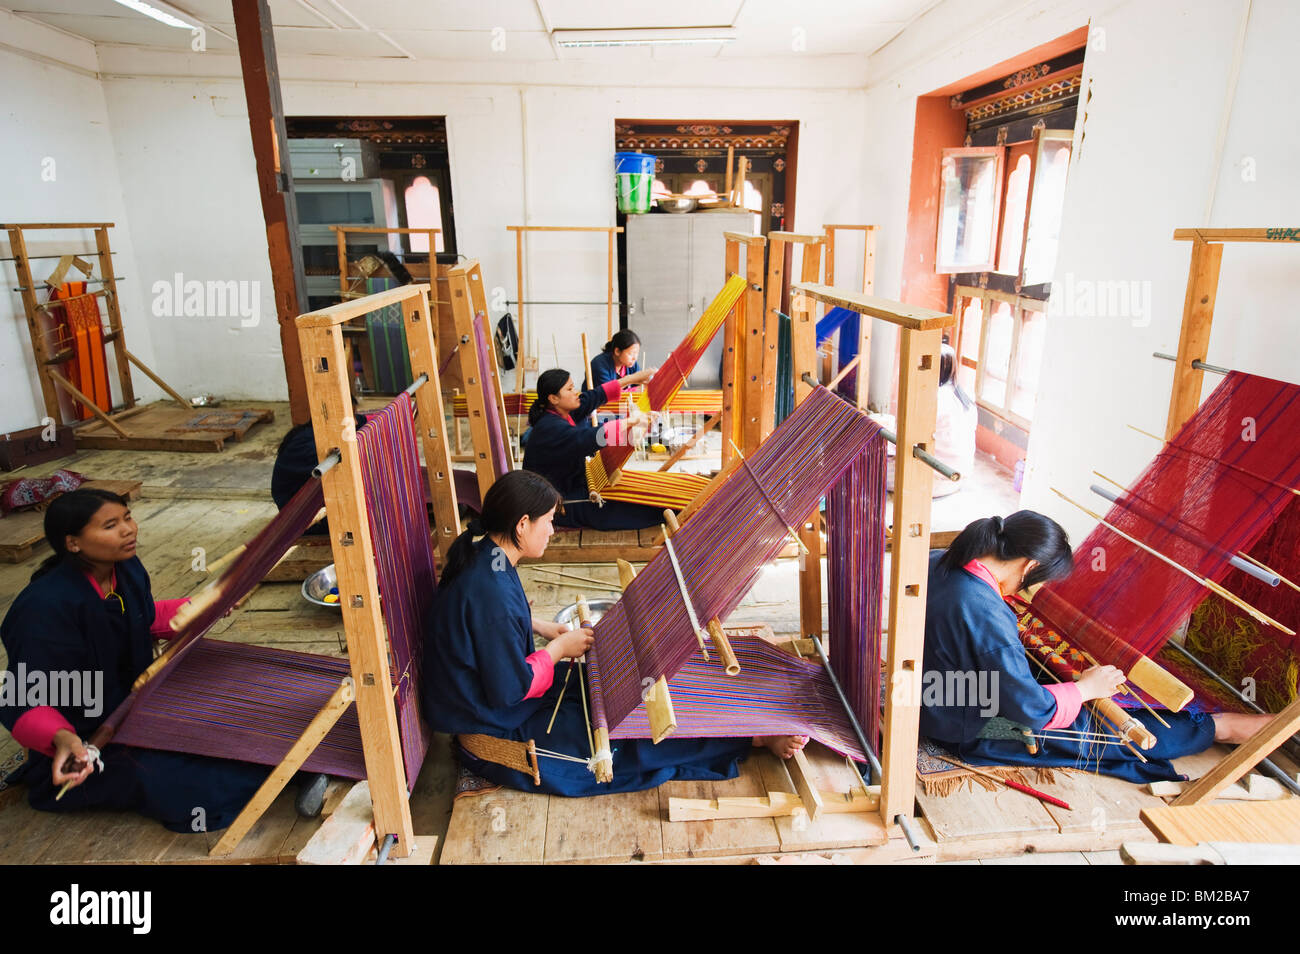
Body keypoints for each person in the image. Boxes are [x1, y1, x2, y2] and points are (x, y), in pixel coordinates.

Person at [419, 470, 807, 796]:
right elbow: (509, 688)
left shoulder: (486, 555)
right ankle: (747, 737)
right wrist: (557, 648)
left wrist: (536, 626)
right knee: (627, 741)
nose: (554, 530)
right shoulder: (490, 590)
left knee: (607, 688)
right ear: (522, 524)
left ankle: (736, 721)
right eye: (549, 521)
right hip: (492, 724)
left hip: (490, 697)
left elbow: (482, 627)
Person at [919, 511, 1271, 783]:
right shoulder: (985, 612)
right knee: (1095, 731)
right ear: (1030, 565)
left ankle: (1209, 725)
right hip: (969, 726)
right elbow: (1030, 711)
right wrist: (1087, 688)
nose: (1015, 594)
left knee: (1055, 687)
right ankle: (1219, 727)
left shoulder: (939, 561)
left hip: (933, 697)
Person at [0, 489, 267, 831]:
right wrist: (64, 740)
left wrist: (205, 604)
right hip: (91, 739)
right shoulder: (44, 609)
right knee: (188, 787)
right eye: (111, 525)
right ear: (73, 543)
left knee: (245, 704)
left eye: (128, 517)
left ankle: (293, 764)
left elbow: (141, 619)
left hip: (137, 704)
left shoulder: (125, 569)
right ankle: (290, 771)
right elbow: (23, 697)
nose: (129, 529)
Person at [521, 366, 663, 531]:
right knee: (637, 509)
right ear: (553, 398)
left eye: (573, 386)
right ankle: (672, 510)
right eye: (570, 389)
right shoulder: (550, 427)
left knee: (636, 491)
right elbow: (590, 438)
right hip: (559, 503)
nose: (576, 392)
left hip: (573, 484)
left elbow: (594, 396)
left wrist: (634, 378)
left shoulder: (562, 411)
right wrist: (631, 422)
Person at [872, 343, 976, 498]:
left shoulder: (934, 399)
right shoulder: (965, 396)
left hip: (938, 479)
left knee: (865, 468)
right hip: (960, 474)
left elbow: (909, 442)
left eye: (923, 365)